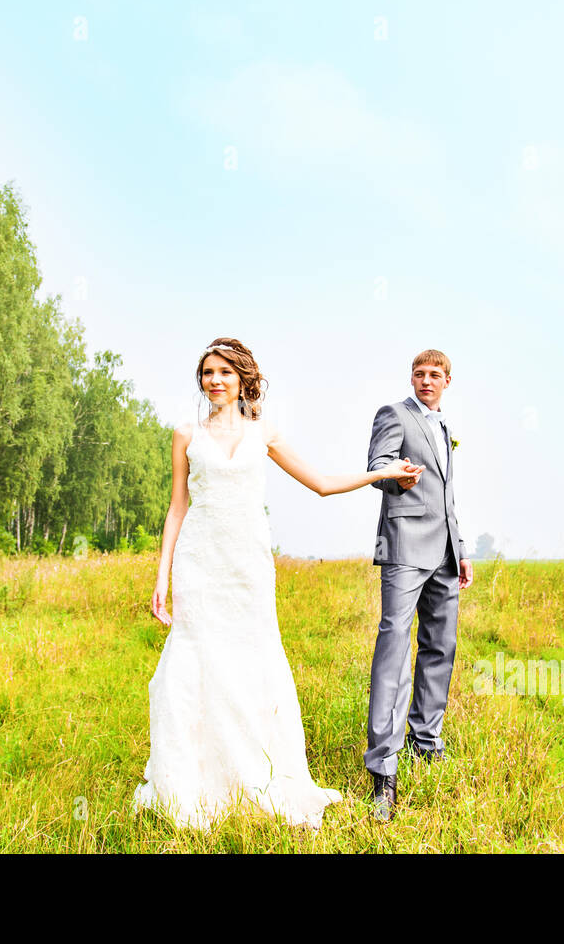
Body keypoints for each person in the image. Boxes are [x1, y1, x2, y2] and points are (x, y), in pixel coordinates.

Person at [135, 337, 422, 830]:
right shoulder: (186, 433)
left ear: (243, 378)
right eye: (207, 373)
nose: (215, 380)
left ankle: (256, 774)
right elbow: (177, 506)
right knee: (196, 659)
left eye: (225, 371)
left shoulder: (263, 430)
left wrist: (386, 473)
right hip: (199, 563)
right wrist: (162, 575)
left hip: (247, 565)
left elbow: (322, 483)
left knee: (249, 660)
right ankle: (193, 780)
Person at [364, 348, 474, 821]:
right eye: (418, 373)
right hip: (405, 547)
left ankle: (425, 743)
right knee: (394, 648)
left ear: (449, 380)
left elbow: (448, 495)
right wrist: (399, 479)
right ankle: (383, 773)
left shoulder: (445, 426)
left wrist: (462, 548)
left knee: (440, 649)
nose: (425, 380)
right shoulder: (394, 413)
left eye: (434, 374)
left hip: (445, 552)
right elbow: (378, 468)